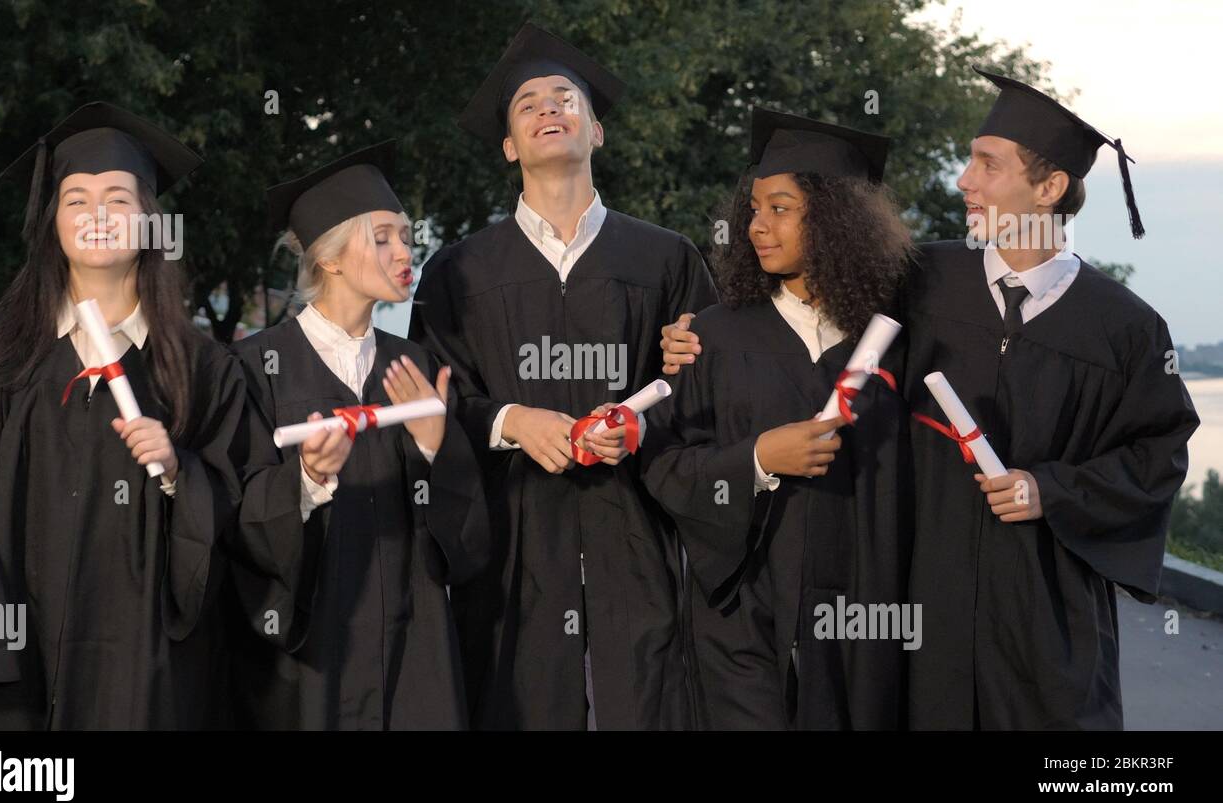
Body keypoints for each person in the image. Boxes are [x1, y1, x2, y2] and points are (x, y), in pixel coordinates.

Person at [409, 23, 717, 729]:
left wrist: (642, 420)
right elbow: (430, 406)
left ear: (597, 130)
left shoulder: (666, 259)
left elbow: (707, 392)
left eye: (565, 98)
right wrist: (512, 420)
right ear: (511, 145)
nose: (550, 109)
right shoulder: (457, 271)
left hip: (633, 536)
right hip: (513, 542)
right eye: (529, 104)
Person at [0, 102, 244, 729]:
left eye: (119, 200)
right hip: (23, 659)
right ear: (52, 223)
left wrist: (182, 473)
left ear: (152, 224)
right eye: (75, 200)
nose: (97, 216)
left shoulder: (202, 367)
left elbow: (246, 511)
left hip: (150, 668)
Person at [899, 69, 1198, 729]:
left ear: (1050, 187)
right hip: (926, 616)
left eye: (986, 164)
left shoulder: (1124, 327)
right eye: (968, 160)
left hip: (1048, 622)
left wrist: (1052, 490)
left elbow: (1157, 457)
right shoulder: (921, 282)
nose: (963, 181)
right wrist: (695, 339)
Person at [642, 108, 913, 729]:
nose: (756, 227)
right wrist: (758, 459)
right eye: (754, 210)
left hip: (863, 617)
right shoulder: (713, 335)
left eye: (780, 209)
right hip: (741, 616)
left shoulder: (897, 340)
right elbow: (663, 464)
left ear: (836, 220)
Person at [226, 141, 491, 729]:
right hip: (308, 645)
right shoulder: (254, 366)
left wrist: (432, 444)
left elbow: (466, 536)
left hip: (412, 638)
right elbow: (232, 514)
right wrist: (307, 479)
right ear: (331, 259)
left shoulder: (413, 363)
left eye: (406, 236)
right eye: (383, 238)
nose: (405, 252)